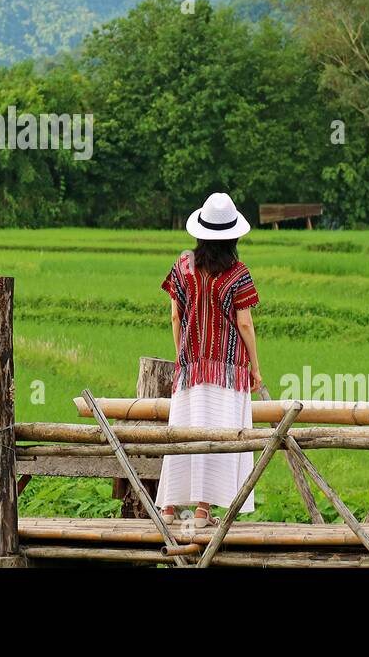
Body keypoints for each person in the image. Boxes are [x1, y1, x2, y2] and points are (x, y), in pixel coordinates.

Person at [157, 191, 263, 526]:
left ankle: (169, 508)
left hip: (190, 368)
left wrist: (182, 357)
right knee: (217, 434)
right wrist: (256, 368)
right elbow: (244, 322)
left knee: (184, 431)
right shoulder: (237, 273)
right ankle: (203, 510)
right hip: (227, 371)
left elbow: (175, 317)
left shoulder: (182, 266)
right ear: (233, 236)